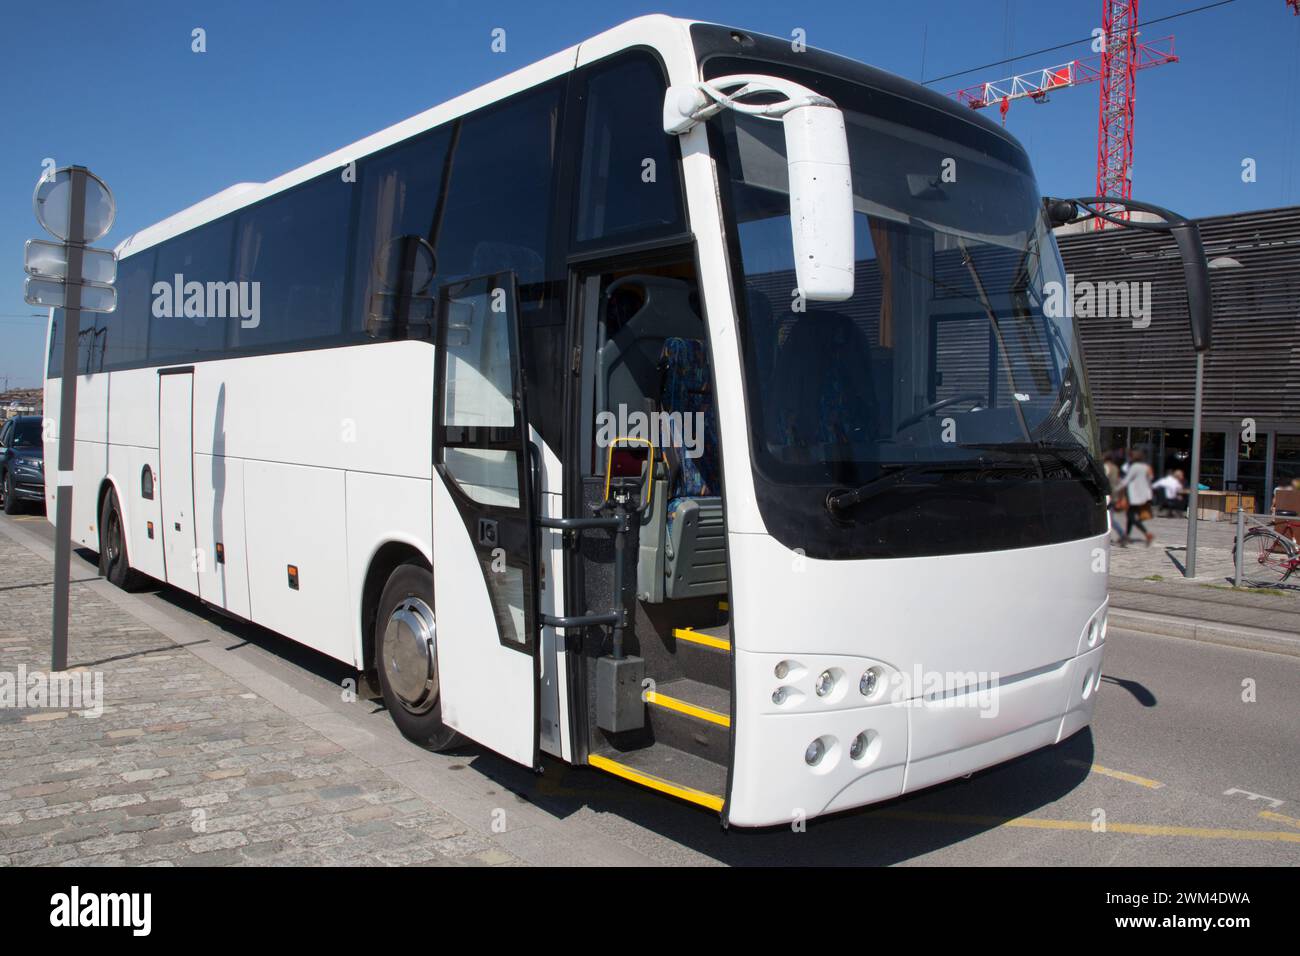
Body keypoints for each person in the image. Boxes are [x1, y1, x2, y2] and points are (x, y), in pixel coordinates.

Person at [1119, 449, 1156, 545]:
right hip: (1143, 495)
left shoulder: (1134, 467)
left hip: (1135, 495)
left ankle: (1147, 533)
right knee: (1130, 516)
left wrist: (1115, 488)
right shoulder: (1145, 467)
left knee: (1131, 516)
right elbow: (1150, 478)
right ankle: (1126, 536)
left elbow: (1126, 481)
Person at [1103, 451, 1125, 544]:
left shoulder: (1106, 467)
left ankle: (1123, 535)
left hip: (1108, 495)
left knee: (1109, 518)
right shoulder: (1115, 468)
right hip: (1114, 495)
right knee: (1109, 517)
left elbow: (1103, 480)